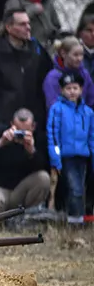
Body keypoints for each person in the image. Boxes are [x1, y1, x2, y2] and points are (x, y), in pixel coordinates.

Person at [0, 109, 52, 215]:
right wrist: (0, 143)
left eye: (25, 132)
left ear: (33, 126)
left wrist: (32, 151)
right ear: (11, 124)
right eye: (18, 131)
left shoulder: (39, 139)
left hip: (19, 193)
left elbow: (45, 169)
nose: (20, 136)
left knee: (43, 178)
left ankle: (28, 220)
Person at [0, 8, 50, 128]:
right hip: (4, 126)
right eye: (22, 24)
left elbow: (43, 87)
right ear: (8, 27)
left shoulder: (37, 53)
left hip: (33, 125)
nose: (28, 27)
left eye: (28, 23)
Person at [47, 73, 94, 224]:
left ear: (81, 89)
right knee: (75, 189)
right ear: (62, 90)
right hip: (66, 156)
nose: (72, 91)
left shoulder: (88, 112)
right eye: (68, 88)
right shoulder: (57, 109)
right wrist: (56, 158)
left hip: (83, 156)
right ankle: (75, 221)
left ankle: (68, 217)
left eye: (75, 88)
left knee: (79, 188)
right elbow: (53, 135)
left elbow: (91, 136)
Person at [43, 37, 94, 109]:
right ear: (63, 54)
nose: (79, 59)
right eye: (75, 55)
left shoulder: (84, 74)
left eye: (81, 54)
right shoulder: (53, 77)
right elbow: (52, 104)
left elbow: (91, 99)